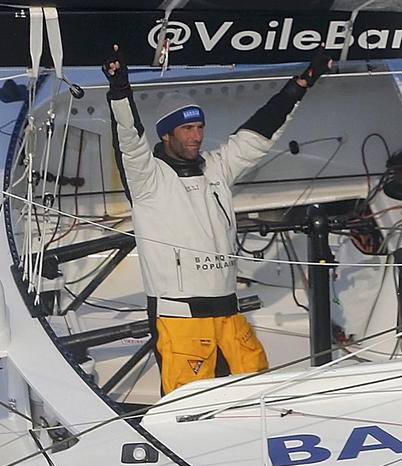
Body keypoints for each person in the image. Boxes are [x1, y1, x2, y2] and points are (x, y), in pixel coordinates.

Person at [103, 44, 333, 394]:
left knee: (260, 395)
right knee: (192, 409)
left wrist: (301, 84)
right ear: (166, 134)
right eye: (187, 129)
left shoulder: (217, 169)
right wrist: (120, 92)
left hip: (229, 313)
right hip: (182, 320)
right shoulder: (148, 180)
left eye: (199, 127)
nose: (196, 136)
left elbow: (258, 134)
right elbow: (129, 143)